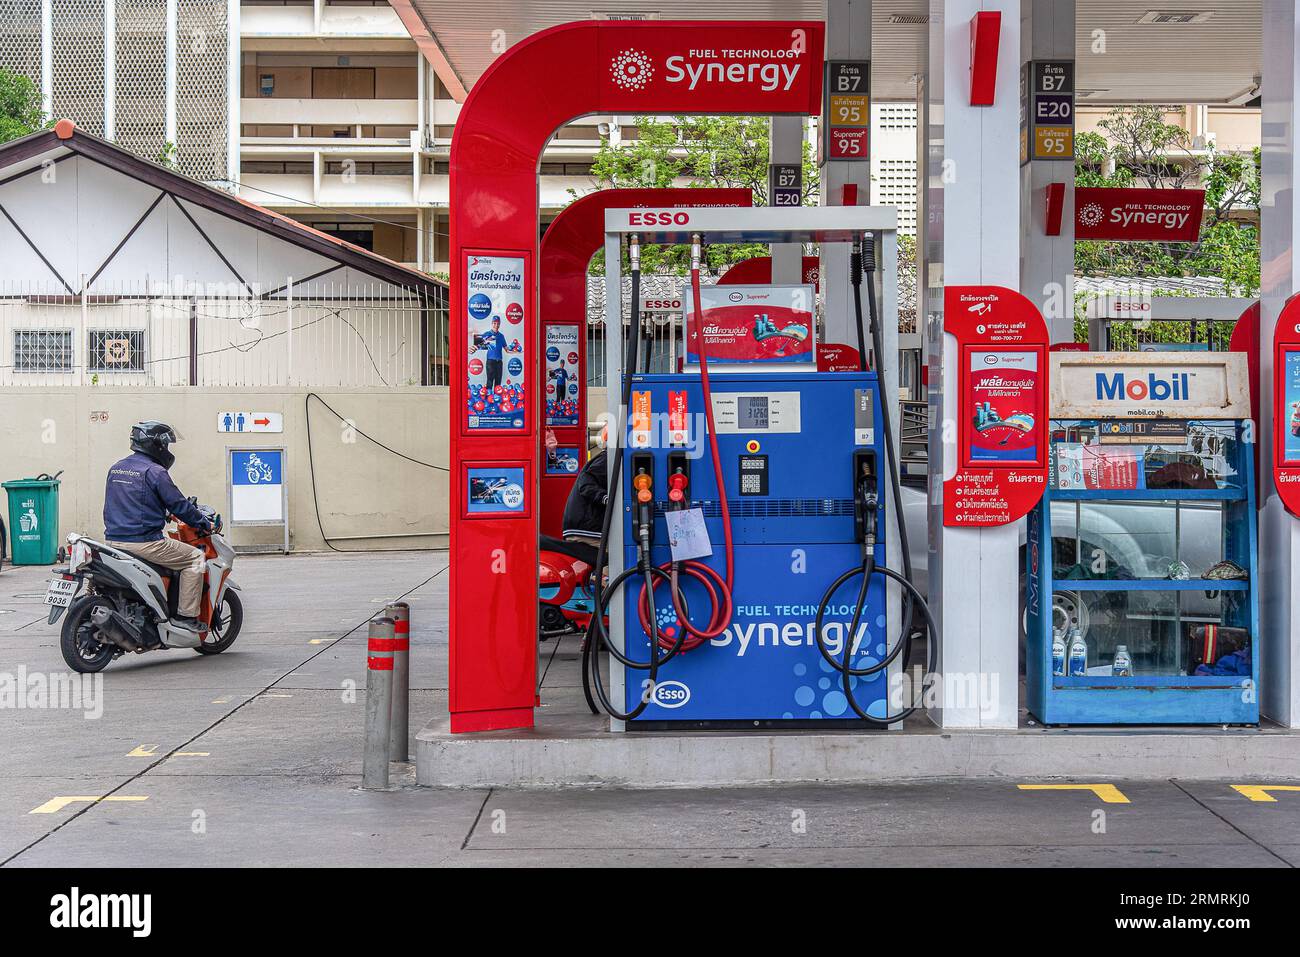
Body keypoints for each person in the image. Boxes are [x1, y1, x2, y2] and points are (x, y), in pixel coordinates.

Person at [103, 422, 212, 632]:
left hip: (112, 542)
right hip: (145, 543)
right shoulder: (155, 471)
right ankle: (186, 616)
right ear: (157, 445)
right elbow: (179, 505)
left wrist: (161, 513)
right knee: (195, 558)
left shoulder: (116, 468)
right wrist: (203, 522)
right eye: (166, 445)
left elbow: (128, 502)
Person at [561, 427, 609, 545]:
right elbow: (586, 483)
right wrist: (606, 498)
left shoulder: (604, 458)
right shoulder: (606, 459)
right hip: (587, 529)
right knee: (620, 556)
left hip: (584, 527)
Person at [478, 316, 507, 390]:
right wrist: (485, 341)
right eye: (494, 323)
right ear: (492, 323)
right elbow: (478, 343)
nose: (496, 325)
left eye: (498, 323)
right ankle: (489, 400)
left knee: (498, 383)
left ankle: (497, 400)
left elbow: (507, 349)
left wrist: (517, 351)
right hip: (491, 361)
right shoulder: (487, 334)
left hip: (499, 362)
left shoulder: (501, 336)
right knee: (490, 382)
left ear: (499, 324)